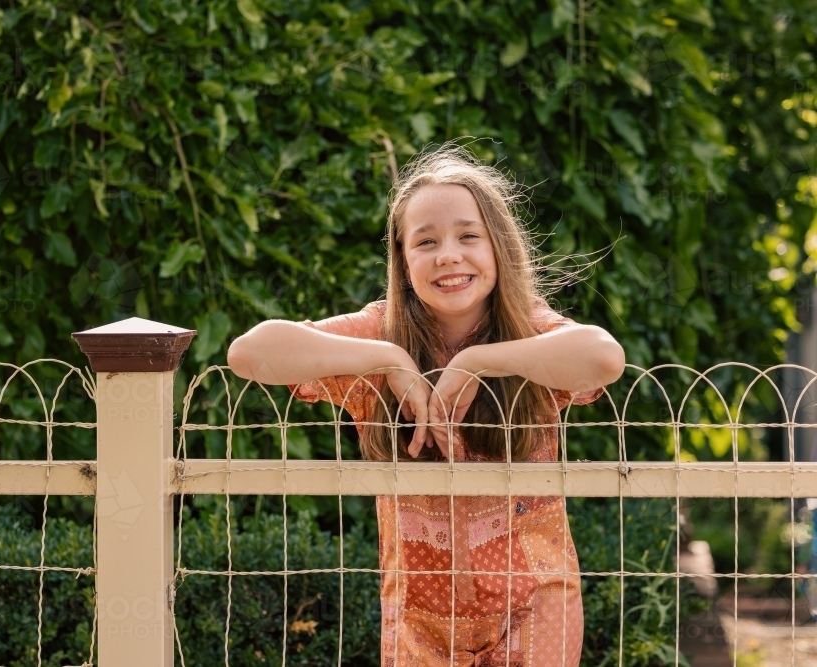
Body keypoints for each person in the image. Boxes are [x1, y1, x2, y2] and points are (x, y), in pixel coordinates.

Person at [227, 143, 625, 667]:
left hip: (534, 605)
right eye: (426, 241)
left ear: (498, 248)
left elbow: (602, 358)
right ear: (402, 257)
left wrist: (480, 362)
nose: (448, 255)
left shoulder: (527, 328)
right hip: (419, 616)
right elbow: (249, 353)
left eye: (468, 236)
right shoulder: (381, 330)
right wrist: (388, 359)